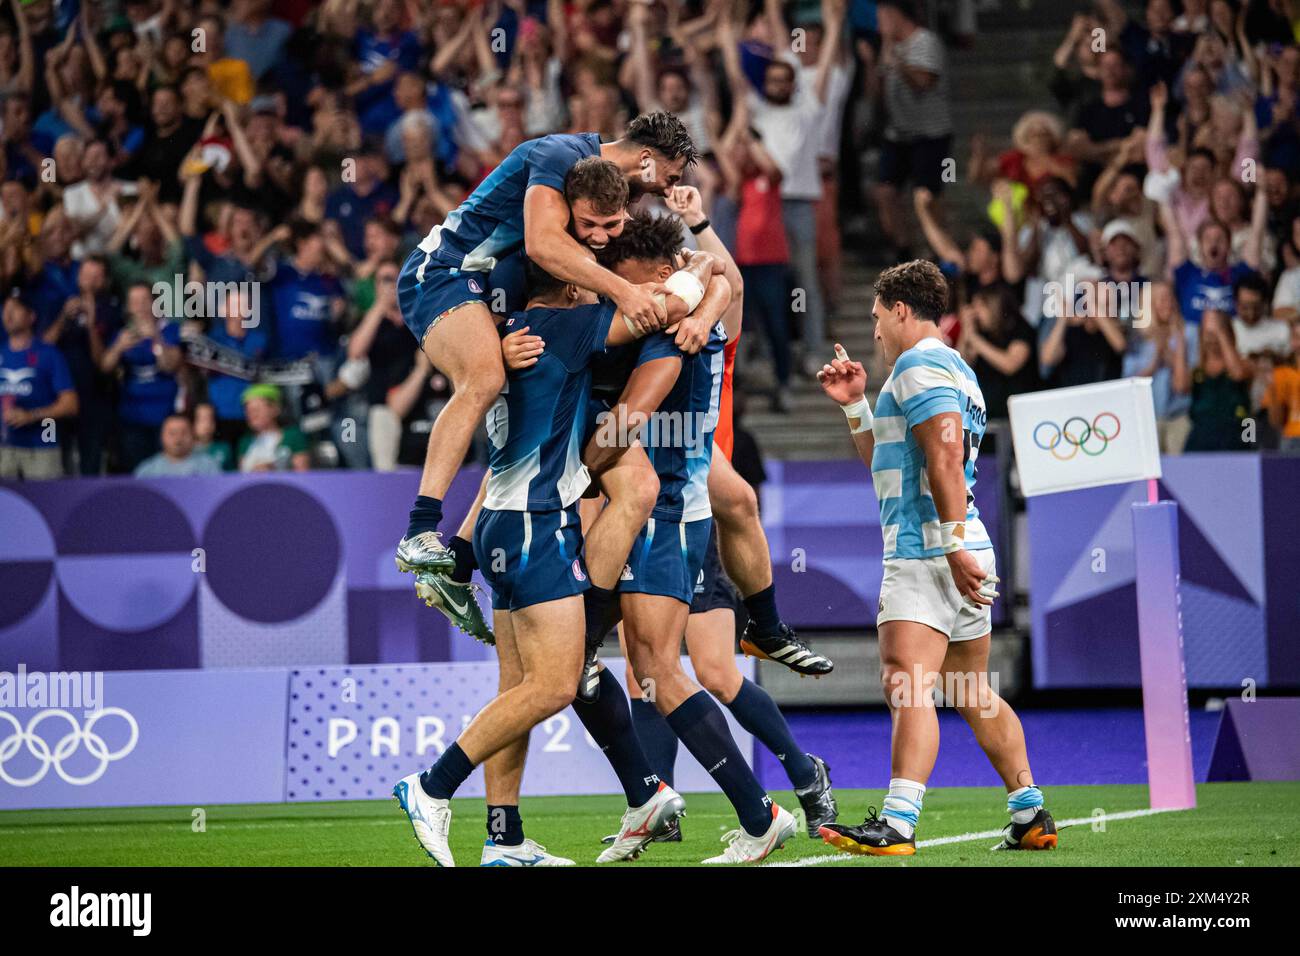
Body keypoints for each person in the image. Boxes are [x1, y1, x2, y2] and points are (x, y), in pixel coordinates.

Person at [391, 243, 723, 867]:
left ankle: (504, 838)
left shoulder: (498, 338)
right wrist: (704, 267)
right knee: (554, 684)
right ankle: (431, 787)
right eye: (589, 279)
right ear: (571, 287)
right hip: (534, 528)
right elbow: (664, 305)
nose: (600, 288)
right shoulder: (566, 326)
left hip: (499, 525)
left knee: (518, 684)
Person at [393, 112, 705, 607]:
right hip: (446, 271)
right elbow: (541, 243)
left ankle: (461, 563)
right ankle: (419, 529)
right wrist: (626, 292)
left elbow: (706, 270)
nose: (671, 190)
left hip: (496, 299)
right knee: (484, 376)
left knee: (628, 480)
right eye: (671, 177)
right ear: (646, 159)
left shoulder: (603, 199)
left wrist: (701, 307)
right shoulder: (558, 154)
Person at [816, 260, 1057, 855]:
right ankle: (1029, 812)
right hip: (962, 542)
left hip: (931, 551)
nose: (873, 331)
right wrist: (855, 405)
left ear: (901, 311)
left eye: (876, 318)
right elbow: (899, 463)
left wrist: (948, 546)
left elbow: (946, 459)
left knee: (907, 682)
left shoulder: (917, 364)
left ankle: (897, 822)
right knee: (971, 690)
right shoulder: (958, 370)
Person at [586, 212, 798, 864]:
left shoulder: (674, 329)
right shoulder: (692, 305)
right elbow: (718, 276)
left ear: (658, 275)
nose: (622, 295)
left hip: (671, 514)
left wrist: (574, 463)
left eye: (626, 282)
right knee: (646, 669)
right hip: (662, 514)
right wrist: (707, 287)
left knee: (655, 670)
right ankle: (657, 802)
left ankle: (751, 813)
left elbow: (712, 279)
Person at [1, 290, 77, 479]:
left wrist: (31, 415)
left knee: (45, 505)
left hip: (43, 444)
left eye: (16, 309)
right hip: (4, 446)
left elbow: (70, 405)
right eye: (5, 309)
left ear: (31, 317)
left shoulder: (49, 354)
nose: (8, 314)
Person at [236, 382, 310, 472]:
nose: (252, 415)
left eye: (257, 410)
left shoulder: (293, 436)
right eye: (248, 410)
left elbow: (303, 475)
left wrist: (272, 469)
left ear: (275, 409)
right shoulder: (245, 442)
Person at [134, 413, 222, 477]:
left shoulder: (209, 466)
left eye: (184, 433)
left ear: (193, 435)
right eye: (172, 433)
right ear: (161, 437)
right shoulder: (147, 470)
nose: (178, 438)